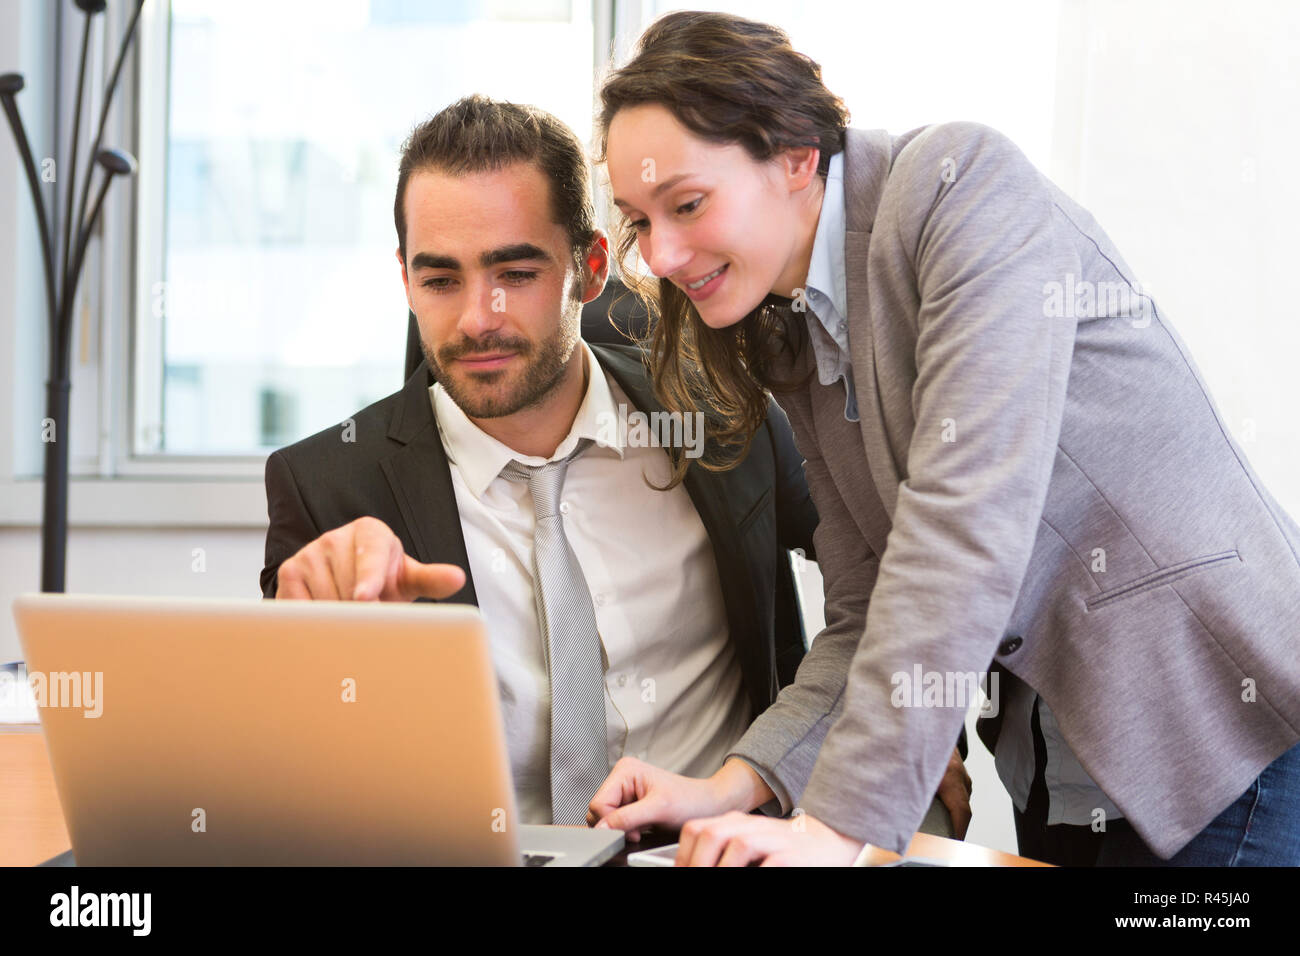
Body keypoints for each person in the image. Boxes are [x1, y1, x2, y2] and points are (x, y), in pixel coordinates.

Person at [591, 10, 1300, 866]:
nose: (660, 253)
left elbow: (964, 524)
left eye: (688, 204)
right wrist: (735, 781)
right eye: (638, 221)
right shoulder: (795, 332)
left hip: (1223, 736)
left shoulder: (959, 186)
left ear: (795, 155)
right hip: (1065, 769)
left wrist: (837, 828)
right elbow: (864, 612)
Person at [259, 95, 974, 835]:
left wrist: (910, 736)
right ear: (405, 279)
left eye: (517, 271)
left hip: (718, 849)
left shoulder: (721, 415)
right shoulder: (328, 486)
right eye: (441, 281)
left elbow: (894, 573)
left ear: (591, 266)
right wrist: (305, 650)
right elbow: (289, 779)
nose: (478, 317)